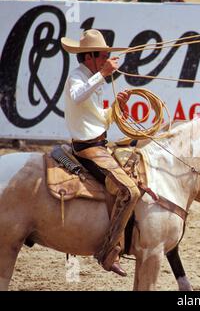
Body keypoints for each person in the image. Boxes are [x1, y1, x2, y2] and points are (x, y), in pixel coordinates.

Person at [61, 29, 141, 277]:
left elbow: (99, 120)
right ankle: (108, 250)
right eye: (104, 55)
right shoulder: (78, 78)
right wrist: (103, 75)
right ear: (89, 57)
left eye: (108, 55)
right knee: (130, 190)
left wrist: (116, 107)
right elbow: (76, 96)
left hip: (98, 142)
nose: (108, 60)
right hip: (88, 148)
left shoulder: (94, 78)